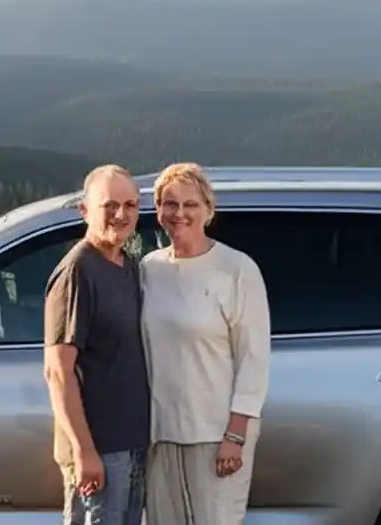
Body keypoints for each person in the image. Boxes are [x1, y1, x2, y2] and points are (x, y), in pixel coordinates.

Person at [140, 162, 271, 524]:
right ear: (158, 210)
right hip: (160, 434)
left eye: (190, 204)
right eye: (169, 203)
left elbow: (254, 358)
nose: (179, 213)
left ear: (208, 210)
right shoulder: (149, 269)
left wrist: (235, 435)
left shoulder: (237, 269)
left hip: (216, 434)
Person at [42, 164, 151, 525]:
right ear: (84, 210)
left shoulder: (127, 267)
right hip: (100, 450)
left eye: (131, 205)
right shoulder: (78, 271)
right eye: (110, 205)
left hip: (132, 443)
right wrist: (84, 452)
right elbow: (58, 371)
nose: (121, 215)